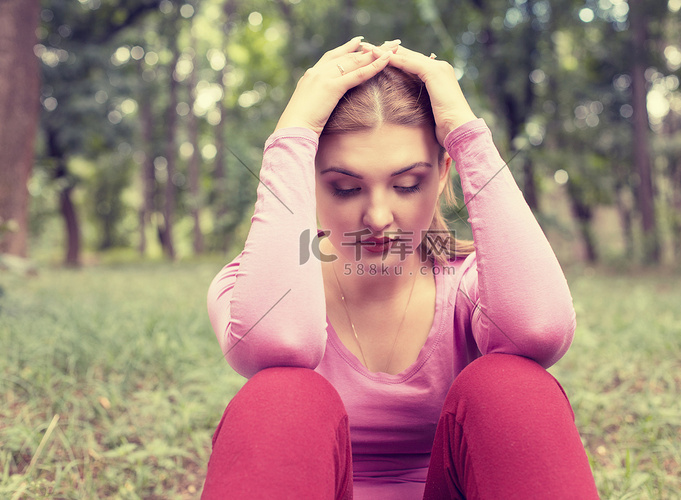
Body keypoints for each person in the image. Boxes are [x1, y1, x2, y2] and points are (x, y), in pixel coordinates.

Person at [202, 37, 599, 499]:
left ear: (443, 171)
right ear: (308, 178)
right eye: (346, 188)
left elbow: (540, 330)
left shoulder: (471, 284)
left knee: (514, 387)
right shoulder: (248, 285)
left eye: (407, 184)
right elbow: (276, 344)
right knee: (282, 397)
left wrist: (467, 134)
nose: (377, 216)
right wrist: (292, 135)